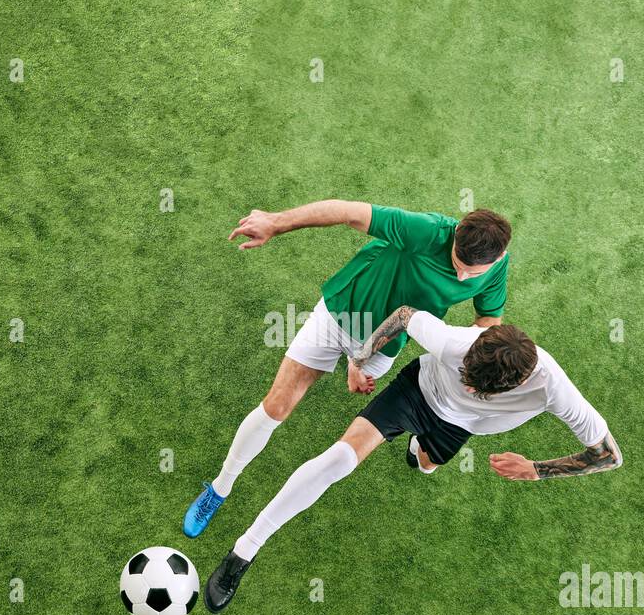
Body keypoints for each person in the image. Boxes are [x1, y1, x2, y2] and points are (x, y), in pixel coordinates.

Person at [203, 305, 622, 612]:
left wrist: (535, 470)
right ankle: (244, 550)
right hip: (416, 392)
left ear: (520, 383)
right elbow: (404, 315)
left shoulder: (554, 387)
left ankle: (418, 449)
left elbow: (607, 455)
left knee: (425, 463)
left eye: (480, 389)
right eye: (467, 377)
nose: (470, 387)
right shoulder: (455, 342)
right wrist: (359, 358)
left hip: (461, 428)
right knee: (339, 460)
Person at [183, 200, 512, 538]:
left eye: (471, 274)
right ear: (456, 235)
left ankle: (357, 373)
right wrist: (276, 222)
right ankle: (220, 488)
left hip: (388, 341)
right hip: (343, 312)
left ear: (498, 258)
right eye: (457, 264)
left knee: (359, 390)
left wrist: (473, 358)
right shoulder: (427, 231)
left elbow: (488, 319)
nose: (461, 276)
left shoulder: (497, 265)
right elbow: (348, 212)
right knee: (278, 404)